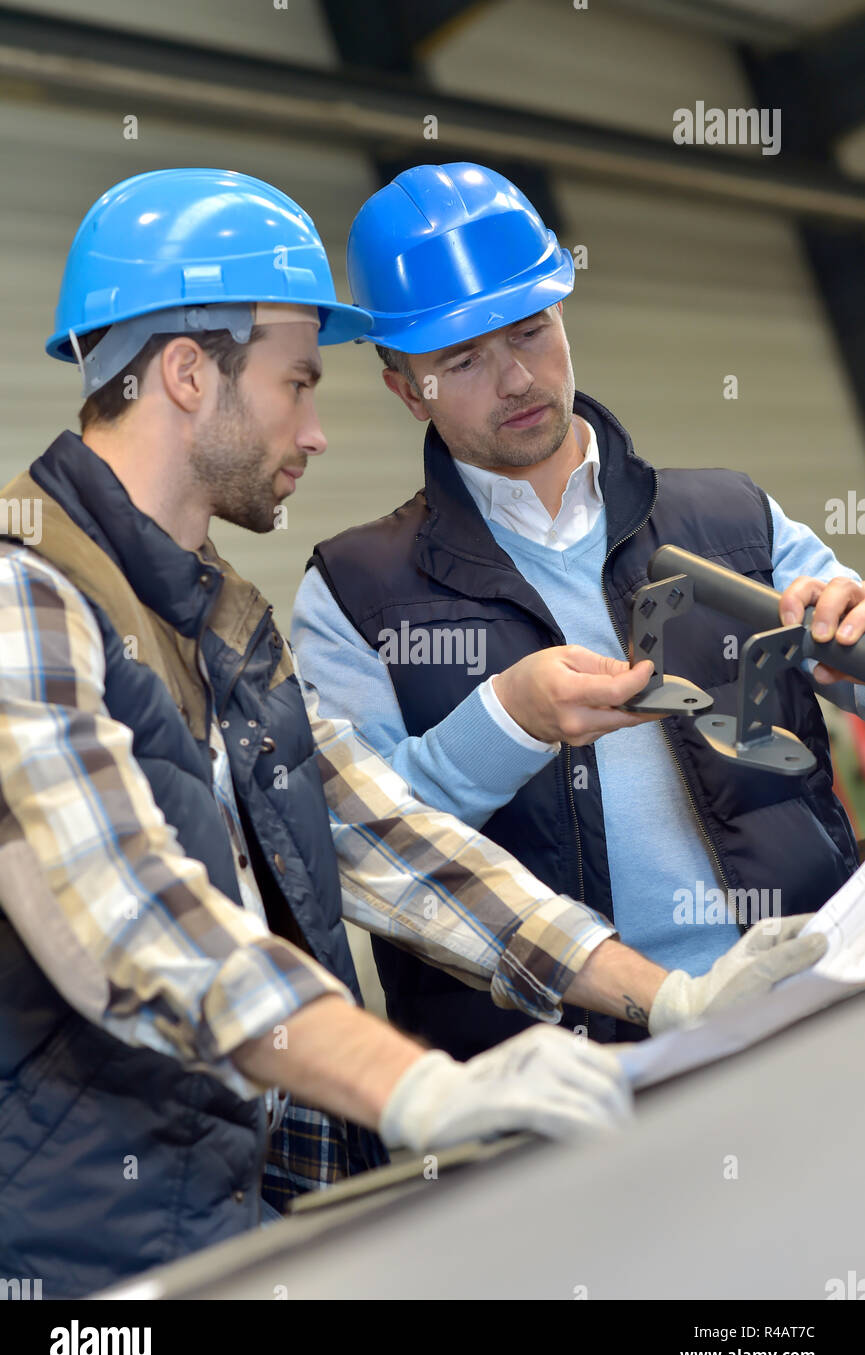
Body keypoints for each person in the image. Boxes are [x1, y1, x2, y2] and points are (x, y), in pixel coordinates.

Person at [0, 168, 823, 1297]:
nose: (318, 430)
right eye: (296, 384)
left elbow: (391, 843)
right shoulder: (26, 599)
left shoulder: (219, 616)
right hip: (96, 1253)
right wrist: (417, 1087)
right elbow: (138, 927)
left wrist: (662, 998)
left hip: (260, 1202)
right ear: (189, 374)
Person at [292, 160, 858, 1058]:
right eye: (462, 360)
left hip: (809, 1001)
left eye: (529, 332)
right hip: (567, 1066)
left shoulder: (729, 516)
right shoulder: (353, 593)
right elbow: (354, 842)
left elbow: (854, 663)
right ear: (406, 388)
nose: (514, 379)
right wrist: (504, 723)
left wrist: (849, 645)